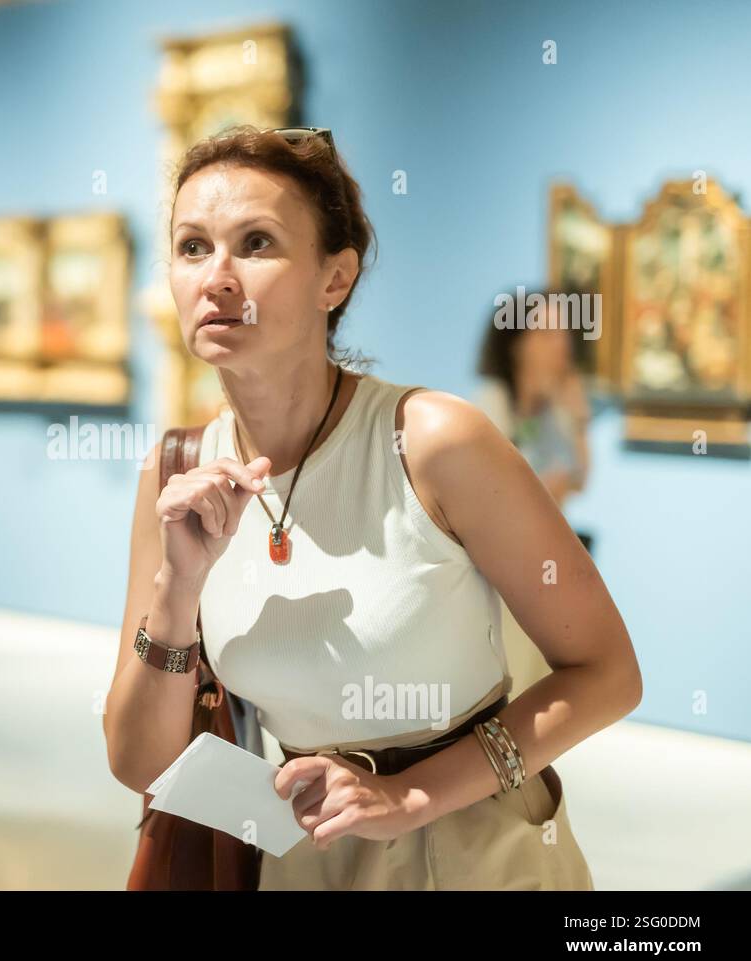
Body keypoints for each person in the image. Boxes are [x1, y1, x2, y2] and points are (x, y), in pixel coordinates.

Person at [104, 125, 641, 890]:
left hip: (474, 847)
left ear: (336, 279)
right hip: (305, 853)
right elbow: (140, 762)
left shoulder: (431, 441)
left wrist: (410, 794)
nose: (217, 276)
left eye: (256, 243)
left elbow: (608, 673)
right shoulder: (176, 469)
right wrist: (178, 590)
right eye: (193, 247)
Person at [472, 296, 594, 697]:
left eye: (562, 332)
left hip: (547, 563)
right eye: (545, 332)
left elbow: (580, 479)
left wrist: (578, 418)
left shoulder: (553, 408)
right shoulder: (490, 405)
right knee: (504, 679)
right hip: (498, 570)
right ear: (516, 342)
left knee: (539, 677)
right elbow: (487, 496)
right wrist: (546, 490)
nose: (560, 343)